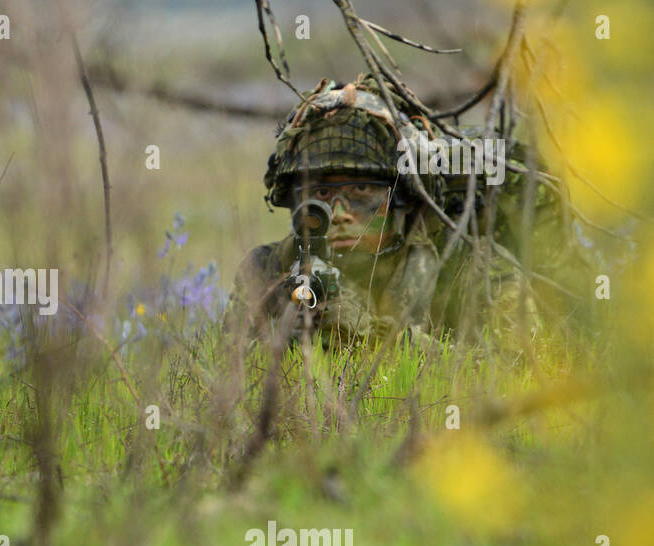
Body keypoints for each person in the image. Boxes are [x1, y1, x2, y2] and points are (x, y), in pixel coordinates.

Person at [223, 76, 597, 348]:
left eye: (360, 191)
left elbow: (517, 371)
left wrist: (380, 342)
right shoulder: (269, 271)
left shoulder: (469, 268)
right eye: (321, 193)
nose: (337, 212)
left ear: (403, 196)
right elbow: (229, 377)